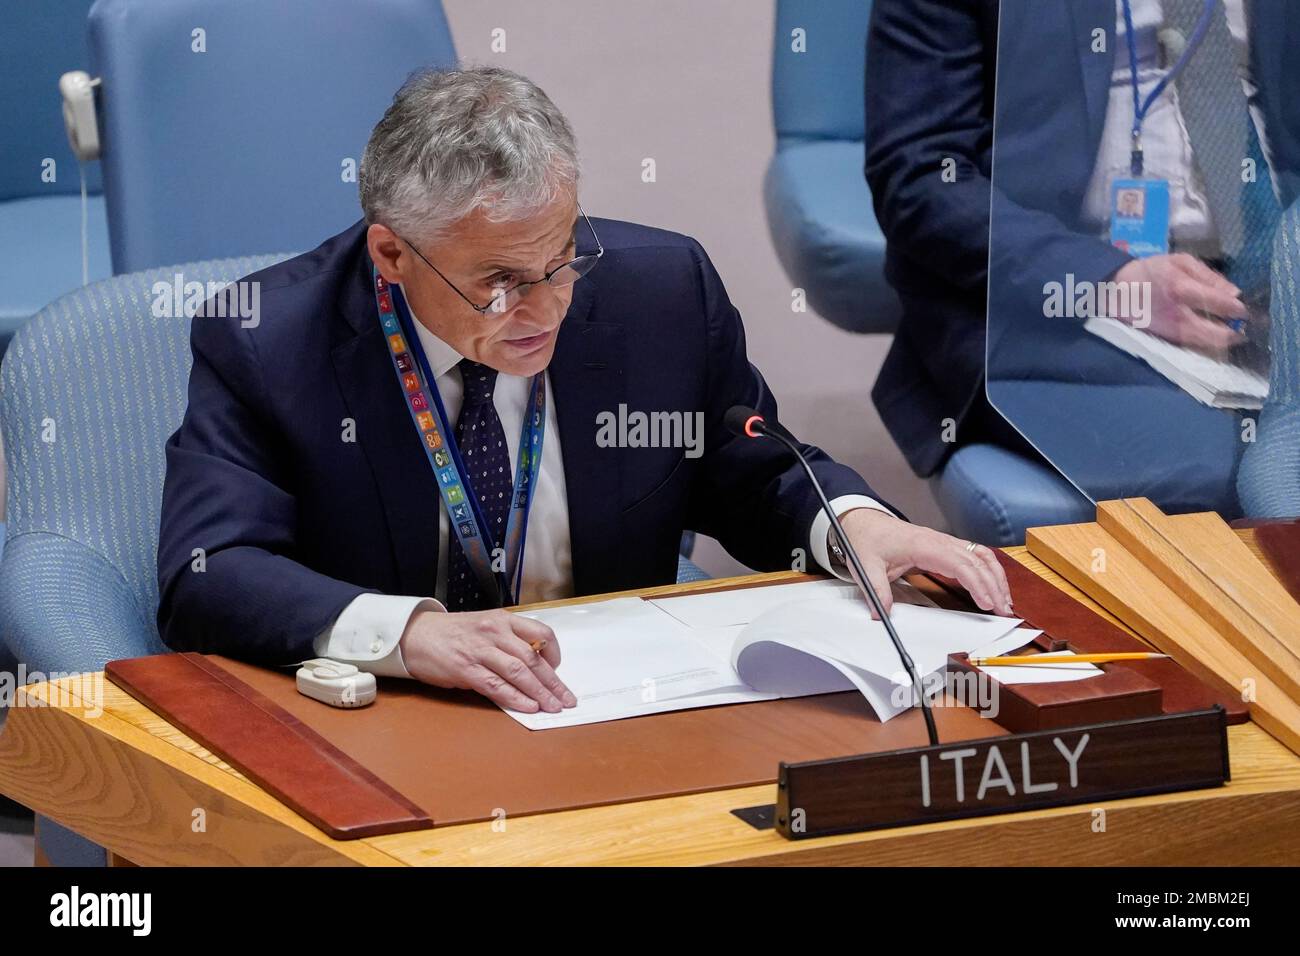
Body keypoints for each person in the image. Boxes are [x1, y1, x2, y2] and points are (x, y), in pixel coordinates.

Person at [157, 66, 1012, 717]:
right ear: (391, 256)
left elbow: (750, 470)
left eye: (561, 259)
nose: (544, 309)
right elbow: (211, 573)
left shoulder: (661, 293)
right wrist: (409, 634)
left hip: (608, 705)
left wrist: (855, 524)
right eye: (497, 281)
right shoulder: (267, 340)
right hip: (397, 714)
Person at [865, 0, 1298, 511]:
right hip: (1058, 299)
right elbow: (920, 176)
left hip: (1276, 282)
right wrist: (1108, 281)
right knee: (1217, 475)